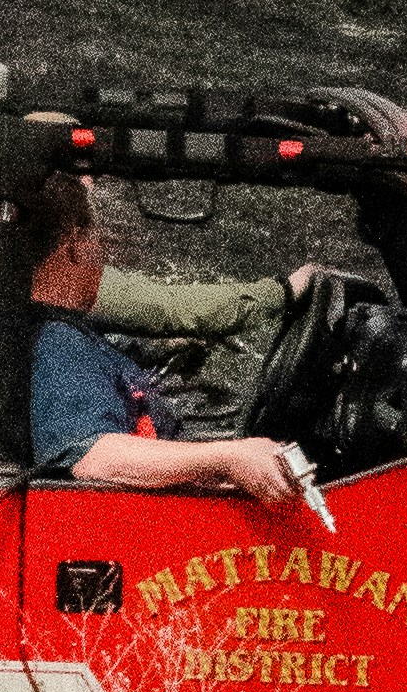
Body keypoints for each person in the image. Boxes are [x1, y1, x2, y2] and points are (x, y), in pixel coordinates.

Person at [24, 167, 317, 504]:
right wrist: (229, 457)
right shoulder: (61, 343)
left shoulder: (72, 334)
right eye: (96, 236)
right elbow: (93, 456)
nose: (104, 251)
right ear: (73, 243)